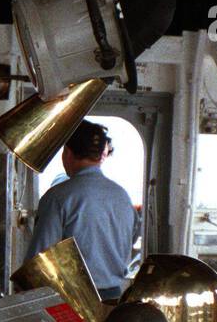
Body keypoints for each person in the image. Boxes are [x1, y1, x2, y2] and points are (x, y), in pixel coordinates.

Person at [27, 119, 137, 301]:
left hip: (74, 301)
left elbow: (38, 261)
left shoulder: (59, 196)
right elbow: (129, 243)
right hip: (114, 299)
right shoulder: (122, 197)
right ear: (101, 155)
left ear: (67, 153)